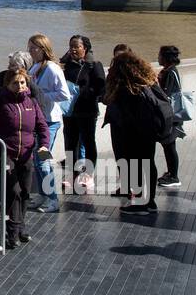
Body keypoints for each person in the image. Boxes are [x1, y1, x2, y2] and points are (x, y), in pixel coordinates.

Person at [0, 67, 49, 246]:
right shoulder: (0, 102)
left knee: (26, 192)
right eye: (15, 83)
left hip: (26, 155)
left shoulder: (32, 102)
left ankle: (20, 229)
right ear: (7, 84)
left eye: (22, 82)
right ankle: (11, 234)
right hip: (6, 154)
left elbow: (42, 127)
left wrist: (44, 147)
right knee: (13, 193)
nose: (19, 86)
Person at [104, 52, 173, 213]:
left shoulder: (125, 89)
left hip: (130, 134)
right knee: (148, 164)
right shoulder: (147, 82)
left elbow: (111, 105)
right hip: (148, 132)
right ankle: (150, 202)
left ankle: (140, 202)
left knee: (133, 165)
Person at [27, 35, 71, 213]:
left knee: (43, 160)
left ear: (43, 48)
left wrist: (43, 95)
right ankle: (43, 195)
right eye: (29, 48)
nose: (30, 51)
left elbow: (64, 95)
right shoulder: (35, 67)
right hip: (38, 120)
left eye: (33, 48)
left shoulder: (52, 69)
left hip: (50, 121)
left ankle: (52, 199)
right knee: (37, 161)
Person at [61, 36, 106, 194]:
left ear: (85, 48)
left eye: (76, 47)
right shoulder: (65, 66)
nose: (73, 49)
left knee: (88, 142)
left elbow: (101, 89)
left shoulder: (94, 65)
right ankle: (72, 173)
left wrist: (84, 92)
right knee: (70, 142)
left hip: (87, 110)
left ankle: (88, 174)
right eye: (71, 46)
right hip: (69, 111)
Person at [157, 46, 184, 189]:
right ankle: (170, 173)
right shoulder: (169, 71)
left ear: (166, 57)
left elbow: (165, 94)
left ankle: (174, 176)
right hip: (171, 115)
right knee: (168, 146)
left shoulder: (170, 72)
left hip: (171, 116)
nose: (158, 57)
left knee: (170, 145)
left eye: (160, 55)